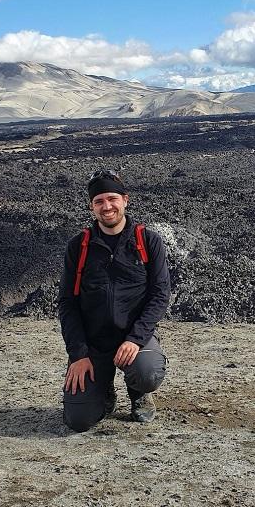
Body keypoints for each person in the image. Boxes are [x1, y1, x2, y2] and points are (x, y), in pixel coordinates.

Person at [58, 169, 170, 431]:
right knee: (79, 419)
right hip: (93, 343)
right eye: (99, 201)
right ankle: (103, 388)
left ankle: (138, 392)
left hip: (133, 338)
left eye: (112, 199)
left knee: (147, 373)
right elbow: (67, 303)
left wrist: (136, 338)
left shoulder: (147, 241)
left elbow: (160, 294)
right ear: (91, 206)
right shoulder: (79, 247)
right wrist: (78, 354)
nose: (107, 206)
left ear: (125, 200)